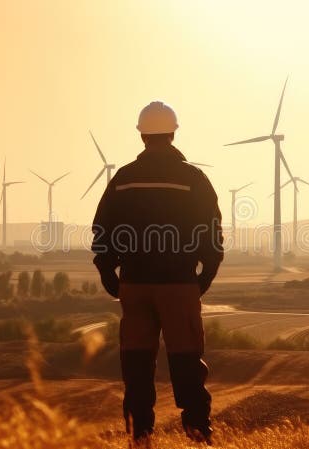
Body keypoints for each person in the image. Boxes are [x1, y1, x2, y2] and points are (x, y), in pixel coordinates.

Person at [92, 101, 223, 444]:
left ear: (141, 135)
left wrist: (110, 274)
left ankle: (141, 433)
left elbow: (102, 230)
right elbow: (212, 233)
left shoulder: (123, 179)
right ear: (173, 132)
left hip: (134, 284)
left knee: (136, 363)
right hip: (179, 284)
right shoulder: (193, 179)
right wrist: (203, 277)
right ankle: (197, 429)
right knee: (186, 360)